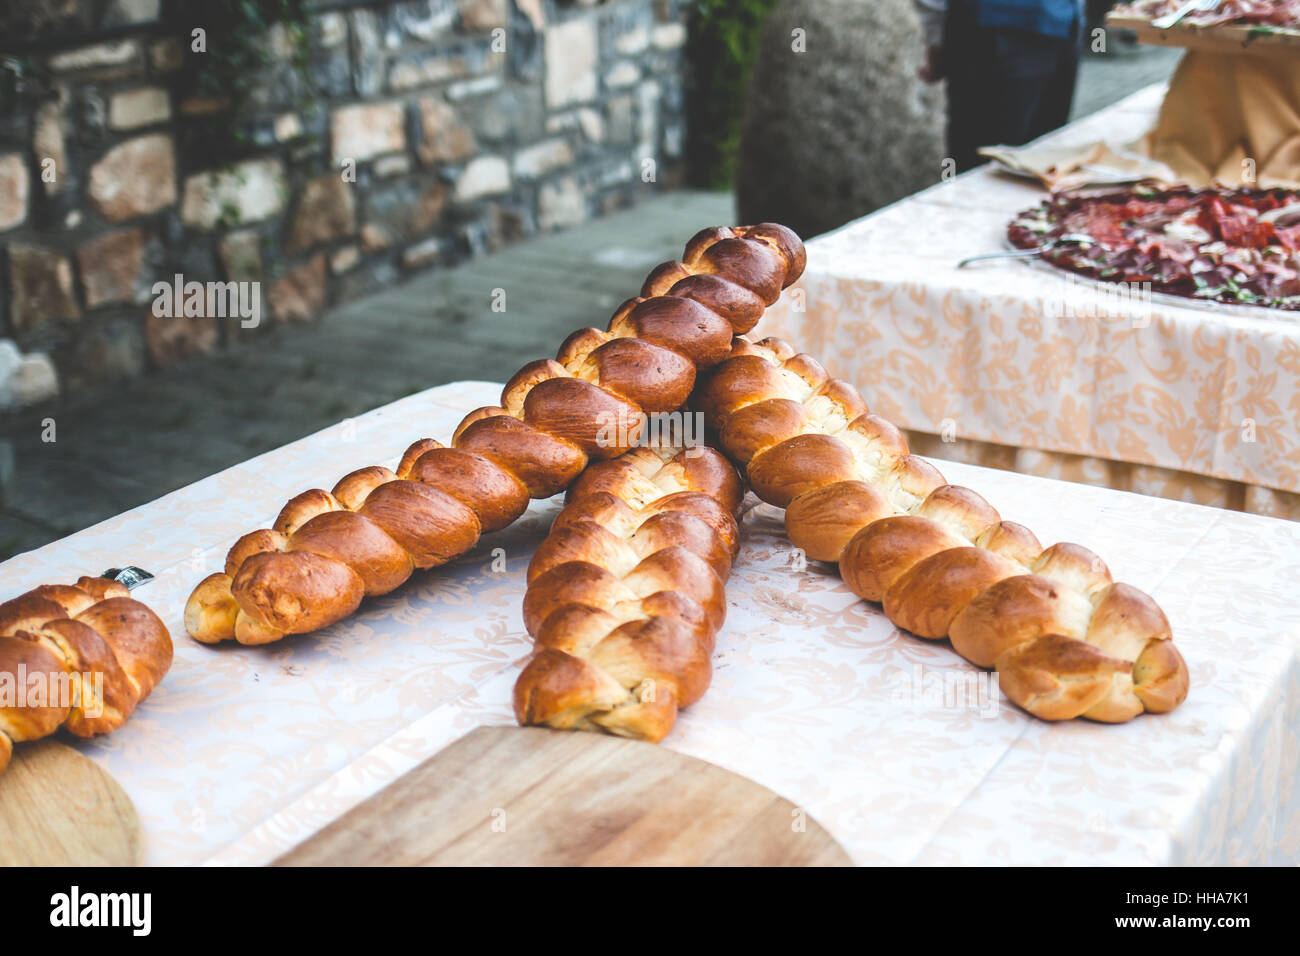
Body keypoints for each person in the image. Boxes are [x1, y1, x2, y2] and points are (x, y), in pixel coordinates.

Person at [915, 0, 1086, 172]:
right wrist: (935, 35)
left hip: (1063, 29)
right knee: (986, 167)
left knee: (1047, 164)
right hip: (992, 34)